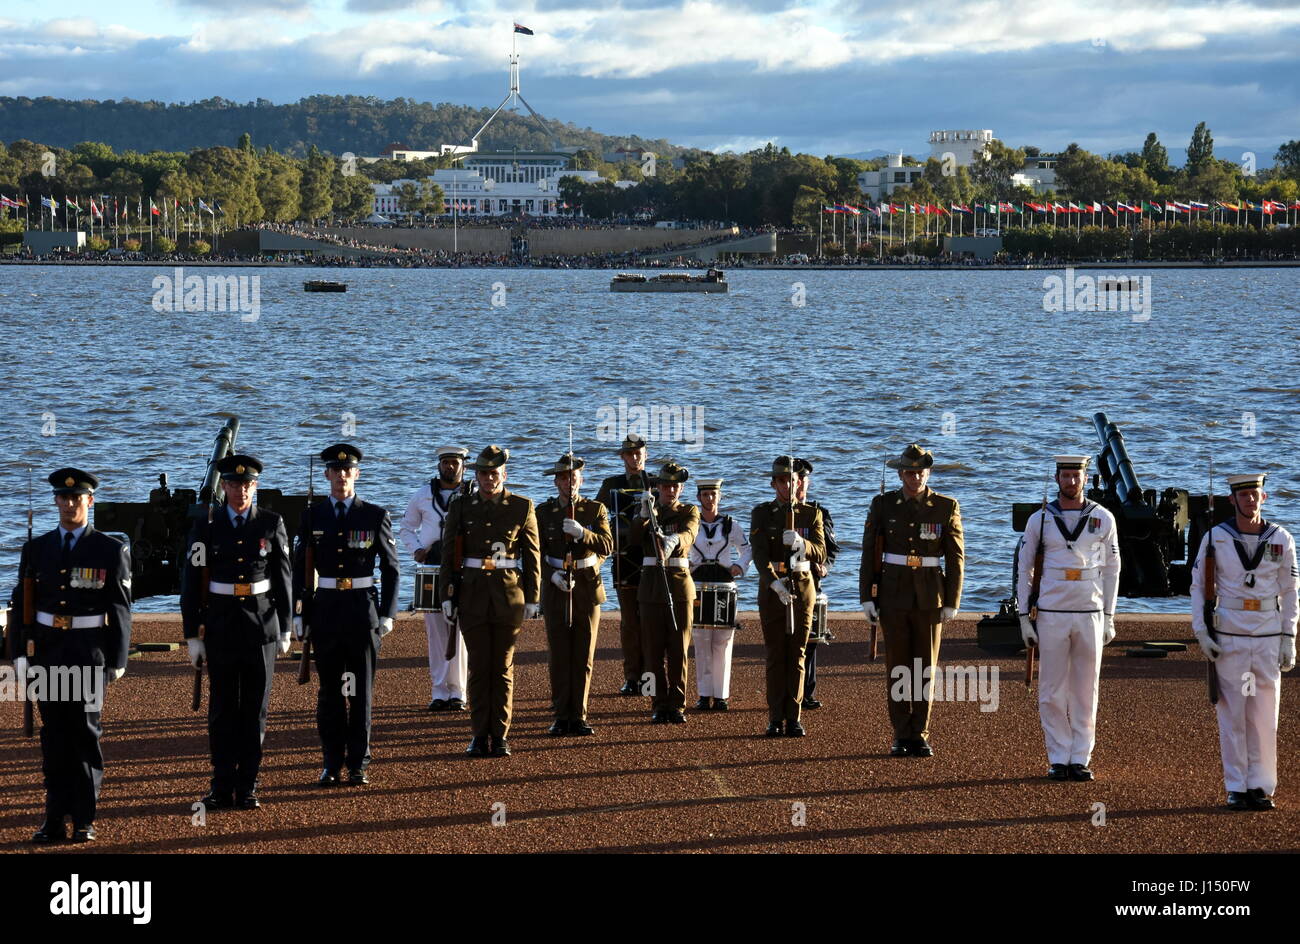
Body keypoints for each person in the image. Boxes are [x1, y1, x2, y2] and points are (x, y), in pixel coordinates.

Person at [9, 468, 131, 843]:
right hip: (48, 654)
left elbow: (121, 607)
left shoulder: (109, 549)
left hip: (87, 653)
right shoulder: (37, 548)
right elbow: (21, 606)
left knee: (84, 736)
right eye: (63, 497)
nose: (69, 503)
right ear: (55, 501)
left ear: (89, 501)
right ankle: (53, 818)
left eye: (76, 497)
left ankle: (83, 819)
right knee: (54, 739)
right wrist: (18, 654)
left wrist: (118, 658)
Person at [182, 454, 293, 810]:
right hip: (221, 625)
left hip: (260, 626)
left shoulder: (271, 523)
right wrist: (192, 634)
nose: (240, 490)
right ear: (224, 486)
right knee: (222, 710)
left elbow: (283, 579)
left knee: (255, 710)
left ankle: (248, 785)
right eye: (233, 484)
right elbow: (191, 582)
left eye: (246, 484)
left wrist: (287, 627)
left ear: (254, 486)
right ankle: (221, 783)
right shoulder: (207, 526)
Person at [294, 444, 400, 786]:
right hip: (325, 611)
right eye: (335, 470)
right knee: (330, 693)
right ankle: (330, 763)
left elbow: (392, 568)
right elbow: (300, 569)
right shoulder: (313, 516)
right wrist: (299, 611)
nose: (341, 476)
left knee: (360, 692)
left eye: (347, 470)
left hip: (361, 611)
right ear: (326, 474)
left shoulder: (373, 514)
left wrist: (387, 613)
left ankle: (358, 763)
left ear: (357, 473)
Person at [1191, 473, 1297, 811]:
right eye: (1244, 496)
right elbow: (1198, 588)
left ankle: (1261, 786)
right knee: (1233, 714)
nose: (1250, 500)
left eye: (1255, 494)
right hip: (1231, 635)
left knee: (1265, 716)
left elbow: (1292, 591)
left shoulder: (1281, 538)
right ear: (1232, 500)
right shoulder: (1215, 538)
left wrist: (1289, 636)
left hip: (1267, 636)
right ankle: (1236, 786)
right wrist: (1202, 632)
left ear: (1264, 498)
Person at [1016, 455, 1120, 782]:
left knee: (1085, 689)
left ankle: (1080, 757)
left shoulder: (1102, 518)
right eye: (1065, 475)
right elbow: (1025, 568)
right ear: (1056, 478)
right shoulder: (1040, 520)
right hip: (1051, 612)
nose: (1071, 481)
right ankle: (1058, 756)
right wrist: (1022, 615)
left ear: (1086, 478)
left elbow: (1111, 569)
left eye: (1076, 475)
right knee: (1051, 690)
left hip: (1089, 611)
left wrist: (1109, 615)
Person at [859, 443, 964, 757]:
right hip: (893, 593)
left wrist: (952, 600)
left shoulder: (945, 506)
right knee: (898, 667)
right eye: (909, 472)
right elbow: (869, 555)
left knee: (925, 668)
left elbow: (956, 557)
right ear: (901, 474)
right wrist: (868, 597)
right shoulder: (884, 505)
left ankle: (919, 732)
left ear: (927, 472)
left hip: (930, 594)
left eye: (920, 472)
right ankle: (900, 732)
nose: (915, 478)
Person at [439, 446, 541, 757]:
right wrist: (446, 595)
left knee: (503, 667)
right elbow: (448, 554)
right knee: (479, 669)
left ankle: (499, 735)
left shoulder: (522, 507)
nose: (488, 478)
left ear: (504, 474)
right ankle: (478, 734)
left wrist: (534, 598)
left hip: (508, 597)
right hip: (471, 596)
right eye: (483, 473)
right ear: (476, 475)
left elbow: (532, 556)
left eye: (494, 473)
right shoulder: (461, 506)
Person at [536, 452, 613, 735]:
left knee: (583, 654)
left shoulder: (595, 510)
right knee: (559, 653)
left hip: (587, 586)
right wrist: (550, 576)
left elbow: (608, 545)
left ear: (582, 479)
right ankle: (560, 714)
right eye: (565, 477)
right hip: (556, 585)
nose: (571, 482)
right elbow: (534, 553)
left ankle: (578, 715)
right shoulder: (543, 513)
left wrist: (583, 534)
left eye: (575, 477)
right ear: (557, 481)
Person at [750, 456, 826, 737]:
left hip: (803, 586)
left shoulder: (811, 514)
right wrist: (773, 582)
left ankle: (793, 717)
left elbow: (822, 551)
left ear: (798, 483)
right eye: (781, 481)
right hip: (773, 590)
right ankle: (774, 717)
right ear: (773, 483)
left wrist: (802, 543)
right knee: (774, 655)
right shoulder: (762, 513)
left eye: (791, 481)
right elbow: (759, 555)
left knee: (797, 654)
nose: (786, 486)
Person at [399, 445, 470, 712]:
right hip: (431, 568)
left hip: (463, 568)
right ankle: (439, 692)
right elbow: (406, 527)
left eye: (455, 462)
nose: (450, 467)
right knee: (436, 633)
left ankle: (459, 692)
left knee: (460, 631)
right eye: (445, 462)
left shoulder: (471, 494)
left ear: (463, 465)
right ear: (439, 465)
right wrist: (415, 549)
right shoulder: (422, 494)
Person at [628, 460, 699, 724]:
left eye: (676, 486)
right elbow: (633, 539)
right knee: (653, 650)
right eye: (666, 486)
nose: (671, 490)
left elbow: (689, 533)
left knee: (679, 649)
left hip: (679, 585)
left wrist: (674, 540)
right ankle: (657, 703)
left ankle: (677, 703)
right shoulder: (648, 508)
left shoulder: (688, 510)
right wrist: (644, 515)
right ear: (658, 487)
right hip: (651, 587)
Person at [689, 478, 750, 710]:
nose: (710, 499)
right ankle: (704, 695)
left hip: (724, 586)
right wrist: (687, 564)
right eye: (705, 495)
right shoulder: (691, 523)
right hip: (698, 585)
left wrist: (740, 566)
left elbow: (747, 549)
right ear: (698, 498)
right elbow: (679, 546)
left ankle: (721, 695)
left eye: (713, 494)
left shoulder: (730, 525)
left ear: (719, 497)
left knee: (723, 642)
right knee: (701, 640)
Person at [596, 434, 650, 695]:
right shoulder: (611, 485)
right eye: (629, 454)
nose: (635, 457)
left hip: (654, 560)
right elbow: (596, 517)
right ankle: (632, 677)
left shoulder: (659, 483)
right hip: (624, 559)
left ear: (646, 454)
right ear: (622, 457)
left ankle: (651, 676)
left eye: (639, 453)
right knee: (630, 622)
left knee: (652, 622)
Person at [794, 458, 838, 710]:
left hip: (811, 579)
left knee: (810, 639)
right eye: (796, 481)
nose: (800, 486)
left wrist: (826, 566)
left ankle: (806, 691)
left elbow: (830, 549)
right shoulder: (778, 512)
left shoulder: (819, 513)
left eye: (803, 481)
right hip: (784, 578)